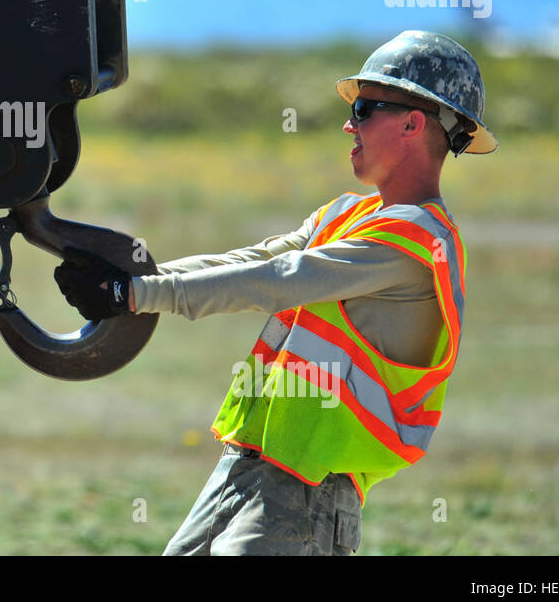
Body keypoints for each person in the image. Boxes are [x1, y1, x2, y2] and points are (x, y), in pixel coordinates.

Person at [53, 30, 497, 555]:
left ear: (411, 123)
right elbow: (249, 261)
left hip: (311, 488)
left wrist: (134, 293)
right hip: (246, 466)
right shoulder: (347, 214)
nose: (348, 124)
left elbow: (280, 280)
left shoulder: (417, 240)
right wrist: (128, 278)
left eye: (365, 108)